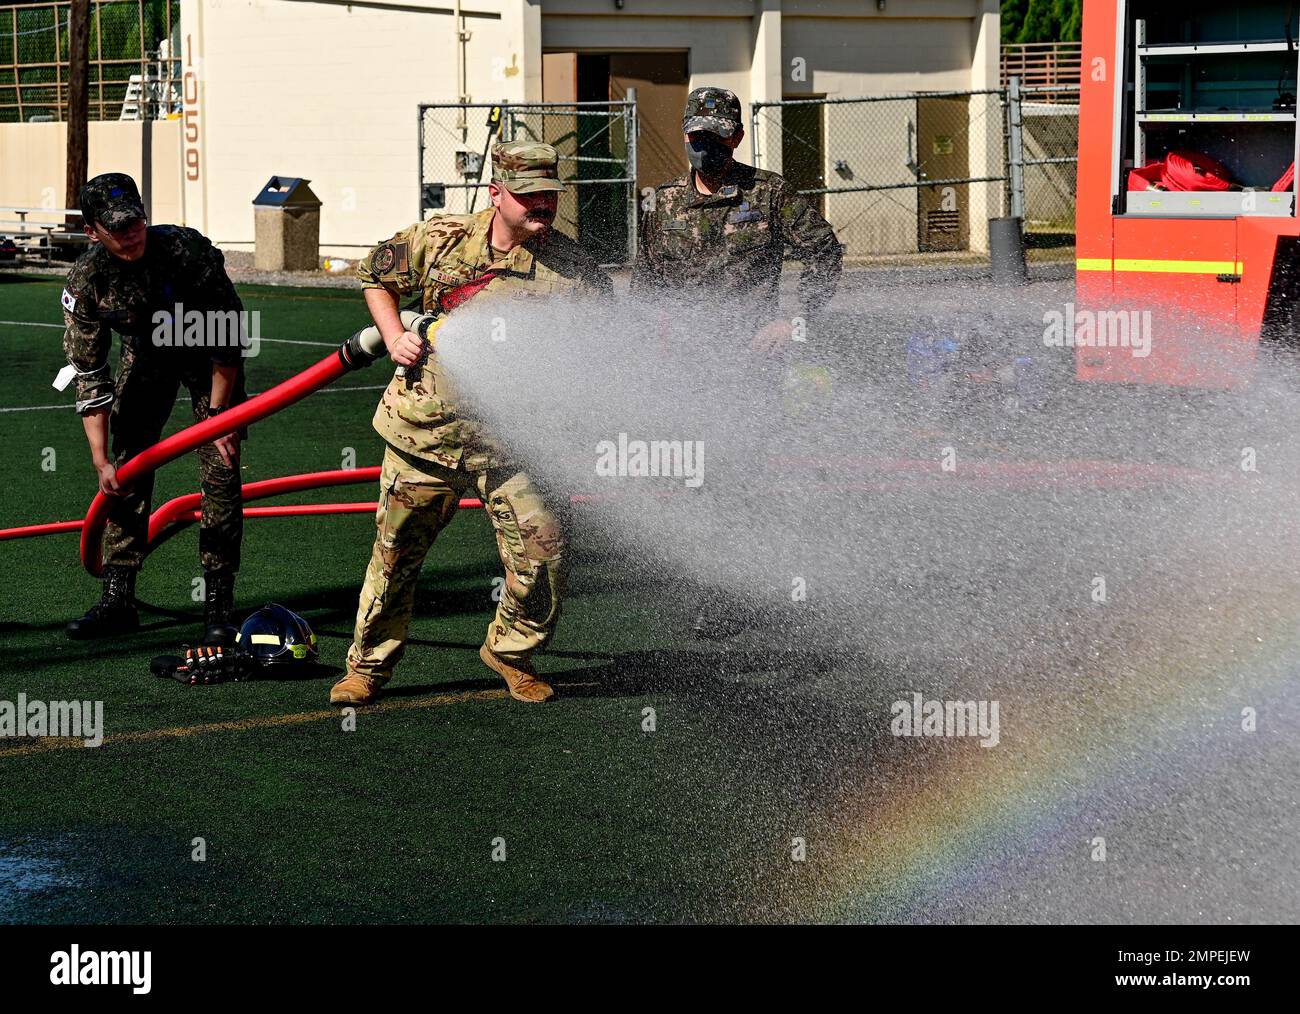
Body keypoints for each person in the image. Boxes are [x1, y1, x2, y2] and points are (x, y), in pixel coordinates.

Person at [330, 141, 613, 707]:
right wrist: (392, 335)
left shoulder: (573, 270)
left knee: (545, 552)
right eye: (529, 195)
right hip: (424, 434)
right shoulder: (441, 239)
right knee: (395, 557)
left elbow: (598, 345)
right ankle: (367, 667)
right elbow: (375, 274)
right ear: (496, 193)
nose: (543, 206)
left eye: (550, 196)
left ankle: (510, 652)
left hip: (514, 443)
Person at [630, 86, 845, 640]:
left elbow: (825, 256)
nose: (704, 149)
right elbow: (647, 285)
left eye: (716, 139)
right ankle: (706, 589)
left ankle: (745, 588)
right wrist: (650, 340)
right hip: (683, 370)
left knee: (740, 478)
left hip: (750, 368)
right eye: (696, 139)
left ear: (737, 138)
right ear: (685, 137)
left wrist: (791, 323)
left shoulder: (770, 195)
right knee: (692, 479)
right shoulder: (660, 203)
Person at [61, 172, 247, 642]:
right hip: (147, 354)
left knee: (221, 472)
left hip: (208, 353)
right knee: (126, 471)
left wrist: (220, 417)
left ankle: (219, 609)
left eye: (136, 222)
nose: (130, 234)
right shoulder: (88, 281)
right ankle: (118, 601)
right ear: (92, 232)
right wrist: (101, 460)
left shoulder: (187, 251)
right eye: (117, 228)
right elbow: (89, 374)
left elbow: (230, 337)